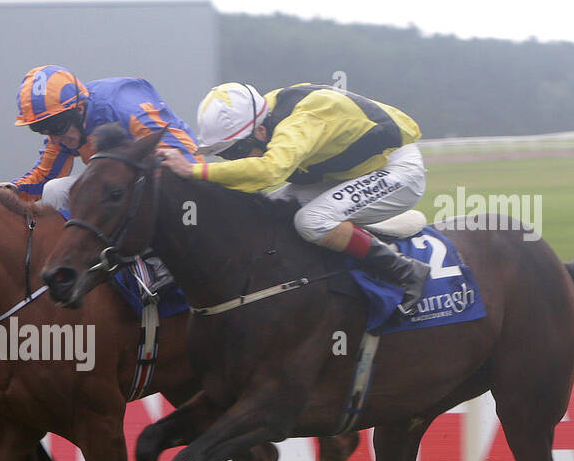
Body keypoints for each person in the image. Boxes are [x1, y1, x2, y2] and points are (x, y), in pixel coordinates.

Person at [159, 82, 431, 314]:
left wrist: (193, 171)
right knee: (268, 212)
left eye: (235, 153)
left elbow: (268, 171)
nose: (233, 161)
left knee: (311, 221)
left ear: (260, 132)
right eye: (225, 156)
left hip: (396, 172)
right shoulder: (264, 119)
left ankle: (406, 271)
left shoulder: (302, 121)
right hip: (345, 173)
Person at [12, 65, 201, 211]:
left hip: (161, 185)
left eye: (56, 126)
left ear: (79, 110)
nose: (53, 138)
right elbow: (44, 178)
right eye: (40, 129)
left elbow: (185, 160)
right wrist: (8, 191)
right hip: (117, 187)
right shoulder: (64, 130)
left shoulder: (126, 108)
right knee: (55, 189)